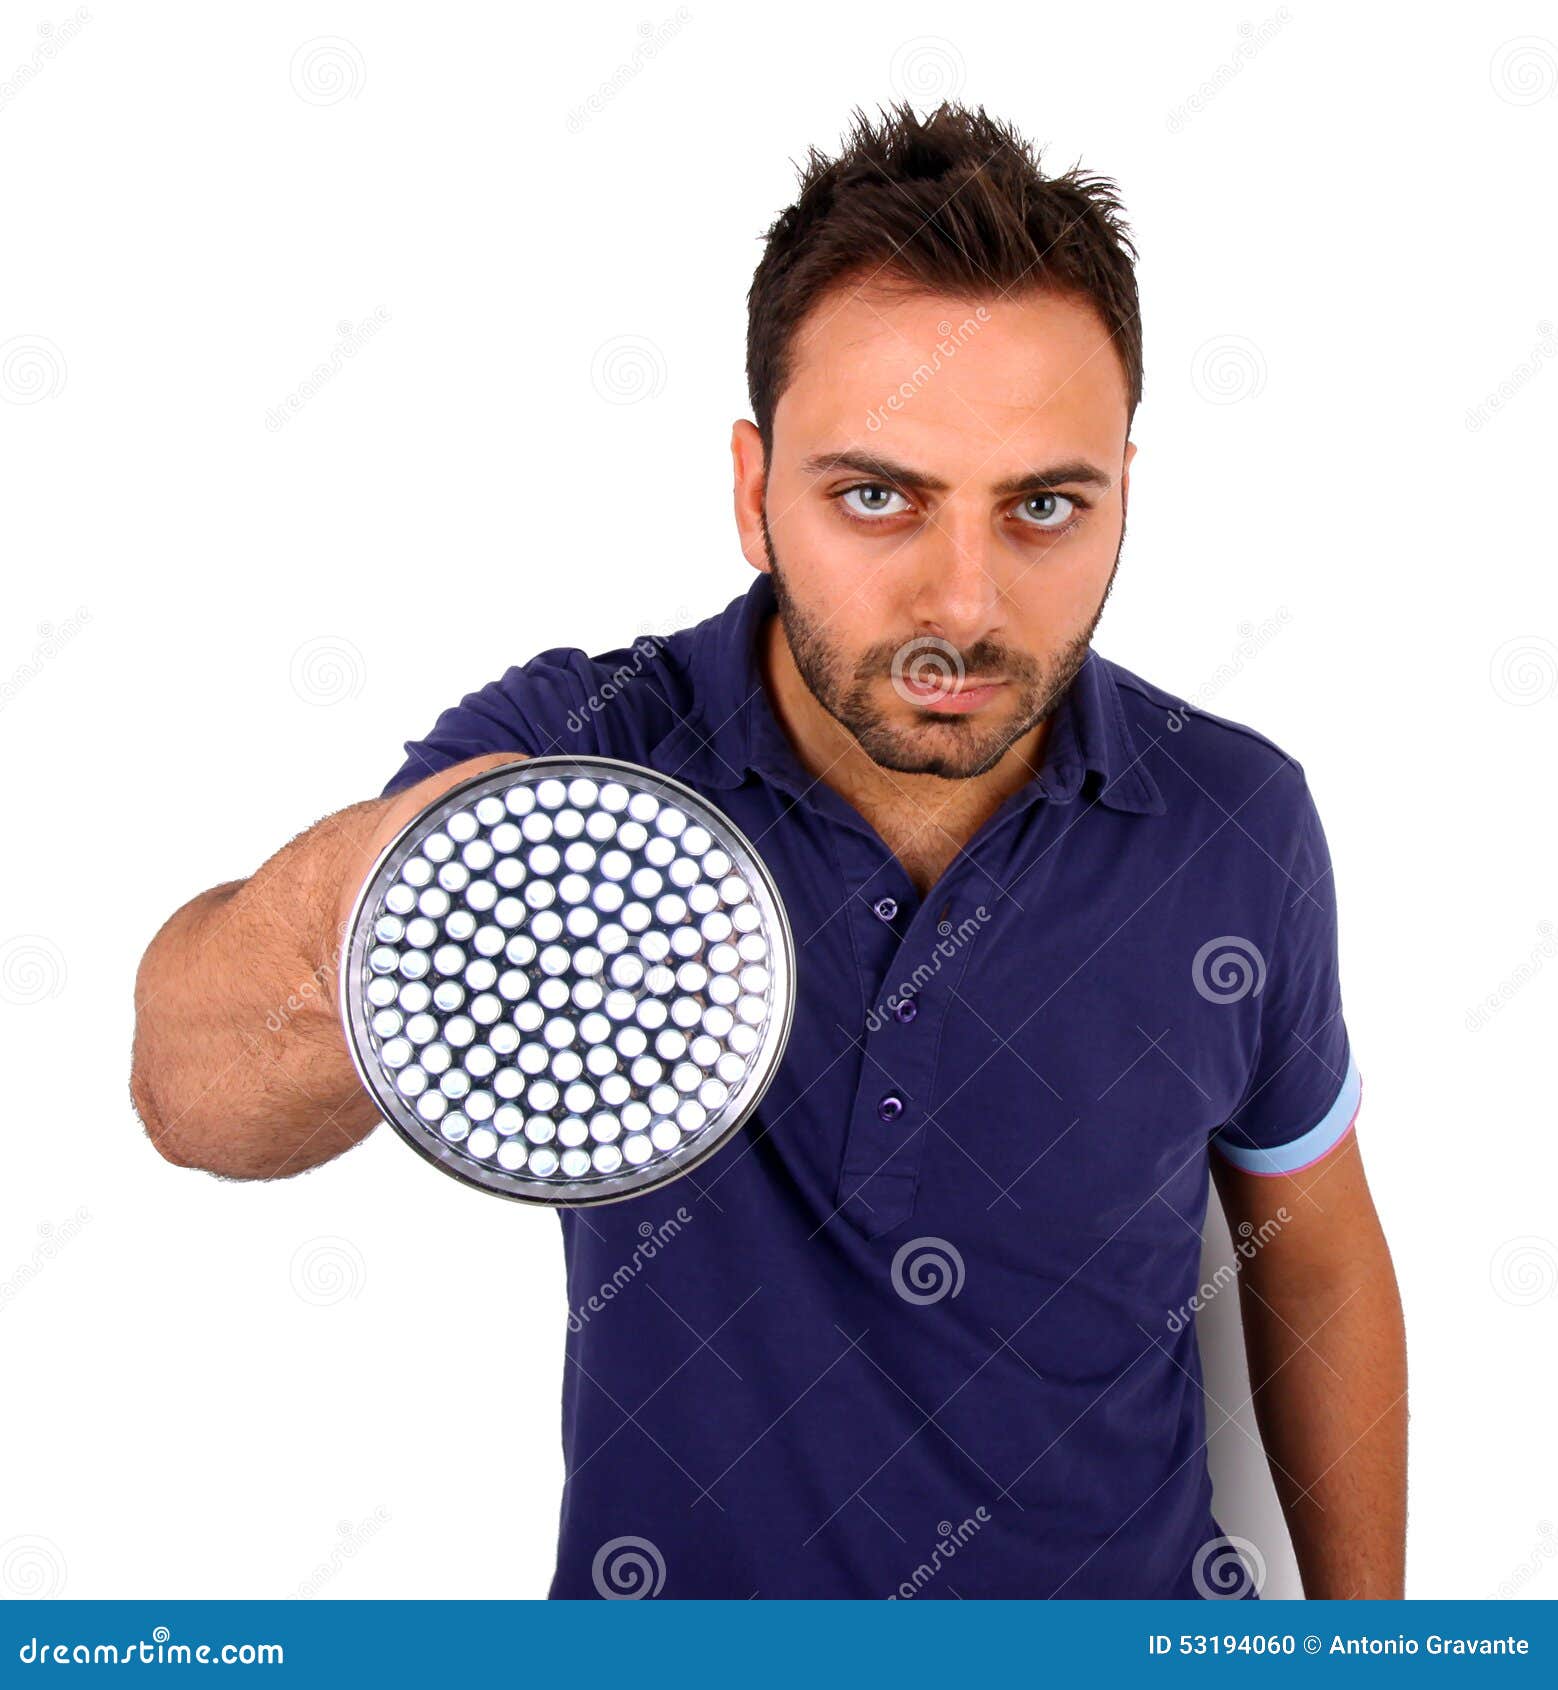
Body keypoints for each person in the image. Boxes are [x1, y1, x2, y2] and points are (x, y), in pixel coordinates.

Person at [131, 101, 1407, 1600]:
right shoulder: (582, 751)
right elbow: (192, 1100)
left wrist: (1360, 1646)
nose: (963, 602)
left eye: (1045, 506)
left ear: (1125, 486)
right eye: (876, 495)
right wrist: (396, 880)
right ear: (753, 493)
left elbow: (1312, 1247)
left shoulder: (1232, 817)